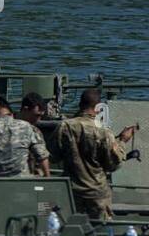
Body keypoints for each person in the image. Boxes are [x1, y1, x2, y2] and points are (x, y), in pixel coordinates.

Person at [55, 88, 136, 221]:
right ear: (98, 108)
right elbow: (114, 164)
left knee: (71, 228)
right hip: (97, 193)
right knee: (100, 230)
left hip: (70, 191)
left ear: (80, 104)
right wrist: (122, 140)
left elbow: (54, 155)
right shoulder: (103, 131)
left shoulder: (64, 126)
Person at [0, 96, 50, 178]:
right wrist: (48, 178)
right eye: (36, 115)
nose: (38, 119)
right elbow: (42, 156)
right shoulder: (28, 127)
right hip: (23, 180)